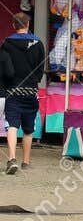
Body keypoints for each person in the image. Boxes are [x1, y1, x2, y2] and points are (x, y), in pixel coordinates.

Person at [1, 16, 46, 174]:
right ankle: (26, 162)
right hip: (31, 91)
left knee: (12, 125)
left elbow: (5, 67)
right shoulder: (38, 43)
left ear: (14, 25)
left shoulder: (6, 43)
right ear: (28, 24)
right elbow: (41, 67)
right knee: (28, 129)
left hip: (13, 90)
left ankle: (11, 158)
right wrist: (35, 80)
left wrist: (8, 83)